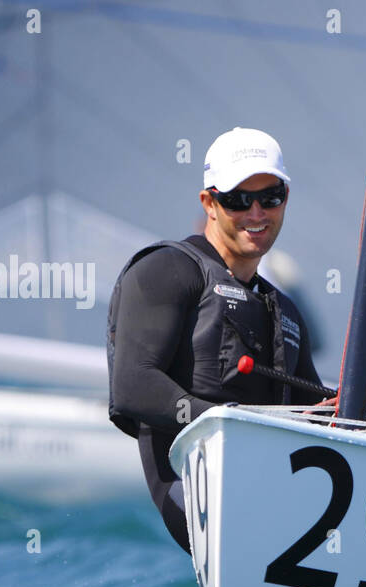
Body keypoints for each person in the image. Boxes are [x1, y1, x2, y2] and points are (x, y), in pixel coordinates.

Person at [107, 127, 326, 553]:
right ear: (209, 202)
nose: (256, 212)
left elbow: (314, 408)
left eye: (271, 197)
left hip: (275, 487)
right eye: (238, 200)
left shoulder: (286, 311)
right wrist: (231, 424)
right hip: (198, 484)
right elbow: (132, 386)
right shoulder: (167, 270)